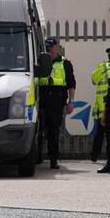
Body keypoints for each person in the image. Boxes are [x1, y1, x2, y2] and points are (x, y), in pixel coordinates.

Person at [34, 37, 75, 169]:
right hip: (42, 99)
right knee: (38, 129)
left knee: (53, 130)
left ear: (57, 47)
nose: (49, 49)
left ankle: (53, 159)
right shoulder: (39, 62)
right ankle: (37, 157)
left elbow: (71, 84)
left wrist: (71, 102)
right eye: (47, 47)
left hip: (57, 102)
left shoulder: (65, 63)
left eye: (51, 47)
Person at [90, 45, 110, 163]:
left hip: (103, 108)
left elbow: (93, 80)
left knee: (100, 134)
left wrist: (101, 68)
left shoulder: (103, 66)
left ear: (108, 56)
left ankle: (94, 156)